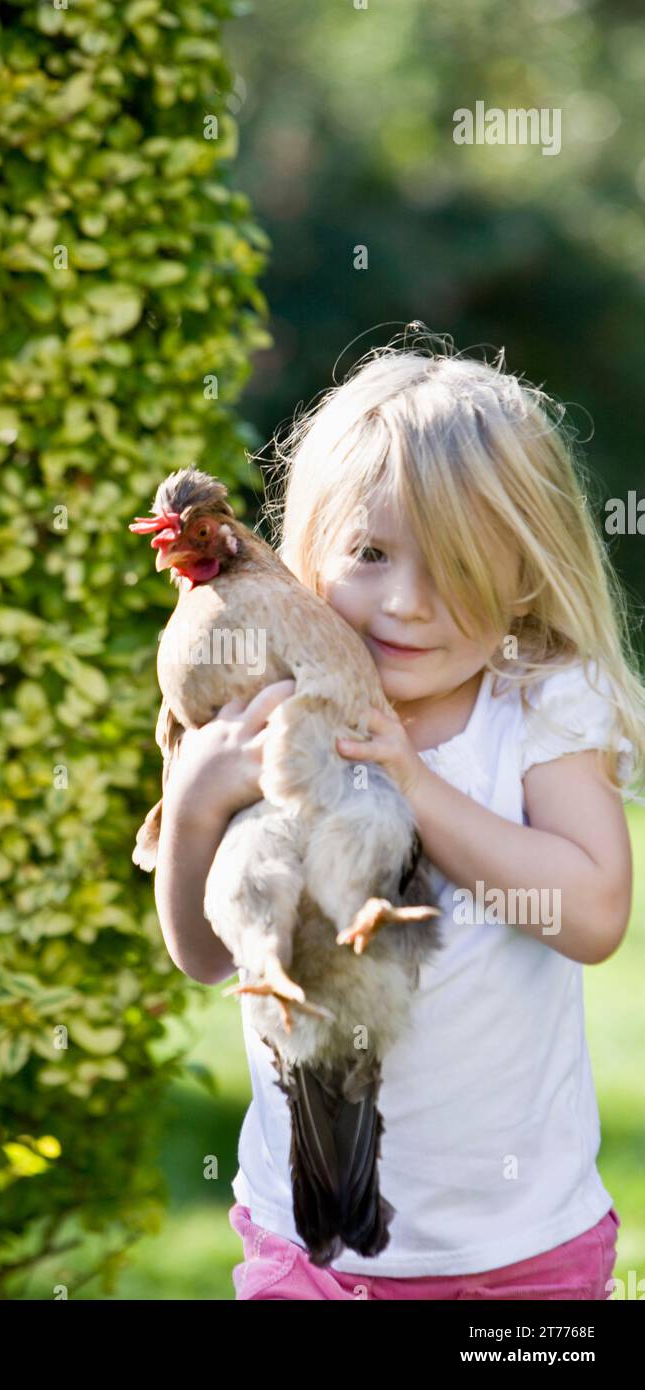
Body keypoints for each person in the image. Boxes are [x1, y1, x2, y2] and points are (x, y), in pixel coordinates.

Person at [153, 331, 644, 1300]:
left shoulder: (540, 705)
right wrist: (197, 801)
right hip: (308, 1236)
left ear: (522, 577)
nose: (406, 603)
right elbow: (204, 956)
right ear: (306, 553)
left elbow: (589, 917)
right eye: (368, 553)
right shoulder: (268, 715)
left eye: (455, 563)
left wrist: (415, 785)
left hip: (518, 1250)